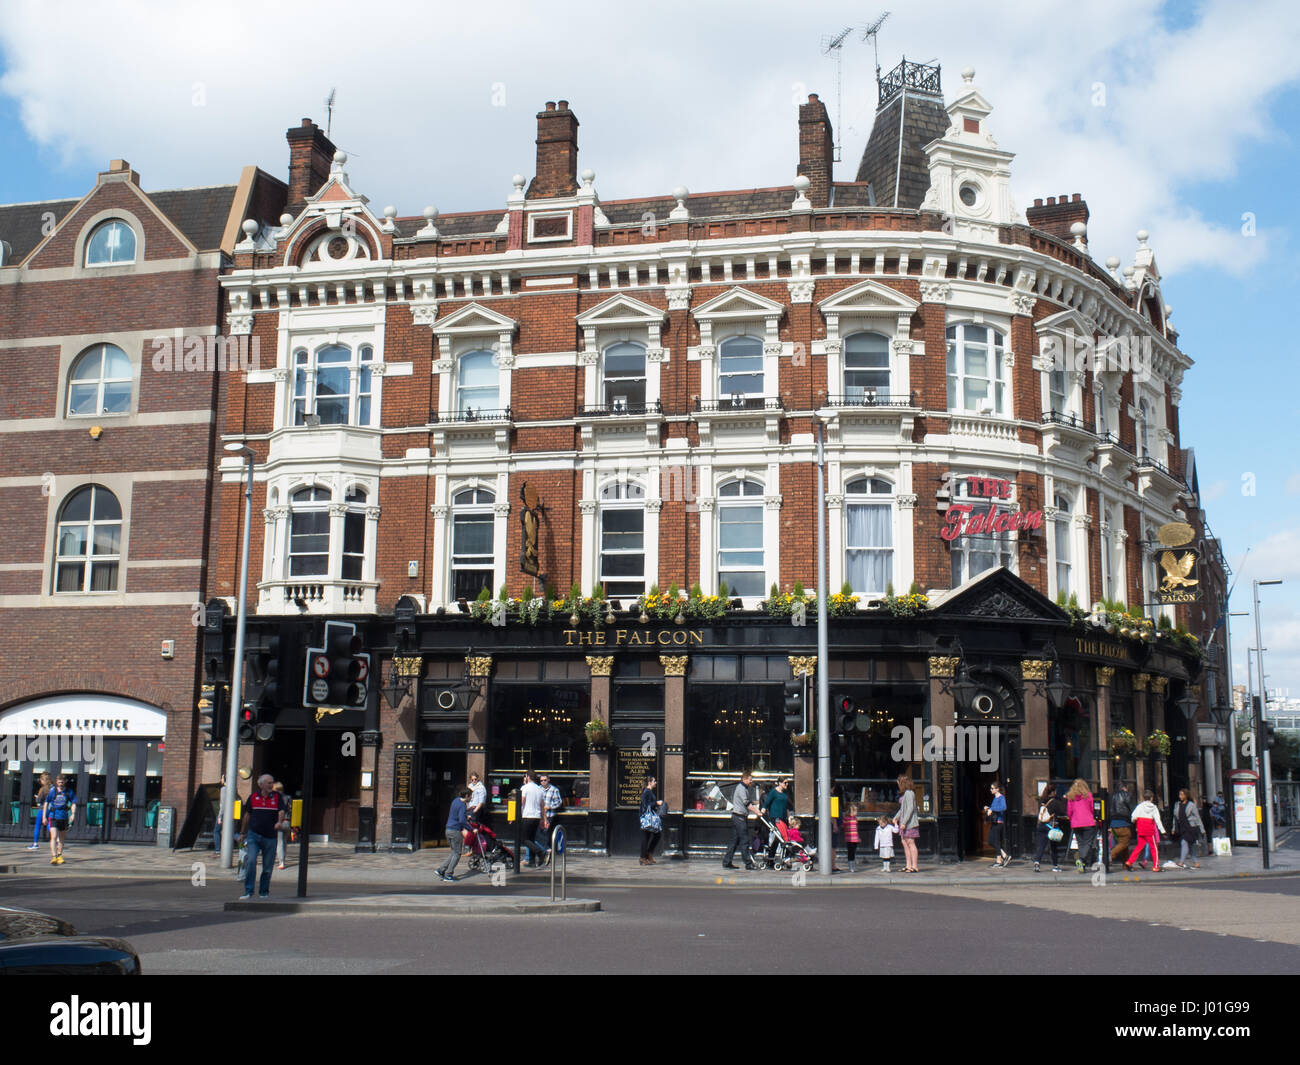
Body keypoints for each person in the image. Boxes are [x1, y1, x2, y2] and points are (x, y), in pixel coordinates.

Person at [238, 773, 287, 899]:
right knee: (251, 861)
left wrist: (279, 822)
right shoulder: (253, 797)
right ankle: (248, 891)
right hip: (254, 835)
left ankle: (264, 891)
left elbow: (281, 811)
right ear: (261, 784)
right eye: (269, 783)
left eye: (272, 783)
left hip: (270, 836)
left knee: (267, 866)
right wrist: (243, 833)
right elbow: (247, 815)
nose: (271, 785)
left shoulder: (277, 797)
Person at [722, 769, 760, 870]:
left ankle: (727, 861)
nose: (751, 781)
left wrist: (757, 803)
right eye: (750, 780)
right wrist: (757, 812)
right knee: (744, 840)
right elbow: (746, 803)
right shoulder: (741, 788)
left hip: (737, 817)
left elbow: (749, 801)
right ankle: (748, 863)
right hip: (739, 818)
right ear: (744, 779)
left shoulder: (744, 788)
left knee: (734, 840)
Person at [1125, 789, 1166, 871]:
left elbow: (1133, 816)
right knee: (1154, 848)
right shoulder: (1154, 808)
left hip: (1141, 829)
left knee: (1139, 847)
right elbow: (1158, 820)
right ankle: (1156, 866)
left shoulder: (1139, 806)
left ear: (1144, 798)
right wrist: (1163, 831)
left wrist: (1135, 821)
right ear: (1151, 798)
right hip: (1149, 830)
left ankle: (1129, 862)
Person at [437, 787, 472, 882]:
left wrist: (465, 816)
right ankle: (448, 875)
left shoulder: (455, 800)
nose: (471, 798)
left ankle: (441, 870)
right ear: (466, 796)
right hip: (455, 831)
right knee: (457, 854)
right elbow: (461, 821)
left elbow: (457, 815)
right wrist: (471, 829)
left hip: (448, 829)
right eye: (470, 796)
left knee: (453, 852)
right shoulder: (462, 805)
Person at [1033, 783, 1068, 872]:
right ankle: (1055, 866)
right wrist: (1064, 799)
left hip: (1041, 825)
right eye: (1055, 791)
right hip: (1051, 826)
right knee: (1053, 847)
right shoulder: (1055, 802)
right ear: (1053, 792)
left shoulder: (1042, 801)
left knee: (1041, 846)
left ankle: (1037, 863)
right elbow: (1062, 811)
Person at [43, 775, 77, 866]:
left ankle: (59, 855)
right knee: (53, 836)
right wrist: (44, 817)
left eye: (62, 782)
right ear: (56, 782)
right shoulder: (53, 791)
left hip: (64, 816)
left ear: (65, 781)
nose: (60, 784)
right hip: (53, 816)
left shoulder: (69, 792)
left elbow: (73, 803)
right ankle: (54, 856)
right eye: (59, 782)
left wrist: (73, 814)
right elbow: (46, 803)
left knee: (62, 838)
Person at [1066, 778, 1098, 873]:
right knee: (1088, 843)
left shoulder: (1070, 797)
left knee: (1080, 844)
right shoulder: (1088, 795)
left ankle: (1082, 865)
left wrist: (1071, 818)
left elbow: (1069, 811)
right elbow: (1092, 808)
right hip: (1088, 821)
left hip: (1076, 823)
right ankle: (1082, 859)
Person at [518, 771, 547, 868]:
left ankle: (540, 852)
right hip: (536, 817)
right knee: (531, 839)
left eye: (526, 776)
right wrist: (544, 819)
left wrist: (514, 816)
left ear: (528, 777)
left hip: (527, 816)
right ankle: (531, 861)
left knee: (524, 839)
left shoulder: (524, 788)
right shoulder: (539, 789)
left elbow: (521, 803)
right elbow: (542, 806)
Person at [1170, 787, 1204, 870]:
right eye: (1179, 794)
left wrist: (1202, 829)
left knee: (1184, 843)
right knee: (1191, 846)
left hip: (1190, 828)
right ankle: (1196, 862)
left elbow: (1197, 817)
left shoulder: (1191, 805)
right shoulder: (1177, 804)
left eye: (1182, 794)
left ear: (1186, 795)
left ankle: (1181, 862)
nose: (1180, 796)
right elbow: (1175, 817)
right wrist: (1173, 828)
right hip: (1182, 827)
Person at [761, 778, 792, 866]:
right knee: (782, 837)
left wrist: (789, 817)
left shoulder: (785, 793)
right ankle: (785, 858)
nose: (787, 785)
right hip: (776, 818)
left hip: (783, 818)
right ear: (779, 783)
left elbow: (786, 807)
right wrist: (762, 812)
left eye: (787, 783)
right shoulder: (774, 792)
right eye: (785, 783)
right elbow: (766, 803)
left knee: (778, 839)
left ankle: (771, 858)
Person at [893, 774, 920, 873]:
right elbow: (902, 809)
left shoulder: (909, 793)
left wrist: (903, 822)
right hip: (904, 823)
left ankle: (914, 866)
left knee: (910, 843)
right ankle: (908, 865)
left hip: (909, 823)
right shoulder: (905, 793)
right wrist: (896, 818)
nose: (897, 784)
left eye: (898, 782)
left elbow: (910, 809)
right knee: (905, 843)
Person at [639, 774, 666, 865]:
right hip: (646, 817)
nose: (656, 783)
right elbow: (646, 805)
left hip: (650, 817)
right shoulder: (647, 791)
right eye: (654, 781)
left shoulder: (649, 791)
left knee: (655, 835)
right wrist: (656, 803)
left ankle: (648, 854)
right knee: (646, 837)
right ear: (650, 782)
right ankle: (643, 857)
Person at [985, 781, 1012, 867]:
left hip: (999, 822)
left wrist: (992, 809)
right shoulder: (995, 798)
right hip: (994, 822)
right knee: (990, 841)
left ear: (997, 789)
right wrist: (988, 808)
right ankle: (1004, 856)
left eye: (992, 788)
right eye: (991, 788)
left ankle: (999, 860)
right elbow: (993, 808)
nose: (990, 790)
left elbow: (1003, 807)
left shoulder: (1001, 797)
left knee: (995, 841)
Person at [1109, 779, 1134, 866]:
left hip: (1113, 823)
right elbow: (1131, 807)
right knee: (1124, 843)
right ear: (1124, 787)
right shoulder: (1126, 795)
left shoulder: (1112, 796)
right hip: (1123, 823)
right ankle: (1110, 855)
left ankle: (1126, 864)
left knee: (1123, 845)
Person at [538, 772, 563, 858]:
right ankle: (545, 850)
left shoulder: (554, 789)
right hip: (539, 815)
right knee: (540, 834)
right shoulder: (538, 789)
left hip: (550, 815)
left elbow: (559, 802)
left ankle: (547, 851)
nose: (543, 782)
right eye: (541, 780)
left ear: (548, 780)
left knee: (546, 832)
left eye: (545, 780)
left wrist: (550, 806)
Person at [28, 771, 52, 851]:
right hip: (51, 809)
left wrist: (37, 797)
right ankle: (56, 840)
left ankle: (35, 843)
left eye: (41, 780)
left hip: (42, 809)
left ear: (43, 780)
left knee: (38, 826)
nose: (40, 782)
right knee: (50, 825)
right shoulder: (53, 788)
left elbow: (39, 800)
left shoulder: (43, 789)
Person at [273, 782, 290, 870]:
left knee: (279, 842)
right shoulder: (288, 797)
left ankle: (281, 862)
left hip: (280, 821)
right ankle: (283, 859)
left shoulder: (276, 798)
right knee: (284, 842)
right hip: (287, 822)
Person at [843, 801, 861, 872]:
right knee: (850, 852)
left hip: (855, 838)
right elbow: (843, 826)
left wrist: (858, 837)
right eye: (855, 811)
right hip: (849, 838)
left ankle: (853, 866)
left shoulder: (855, 819)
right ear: (851, 811)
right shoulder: (846, 818)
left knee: (854, 852)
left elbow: (856, 829)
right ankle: (851, 866)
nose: (856, 813)